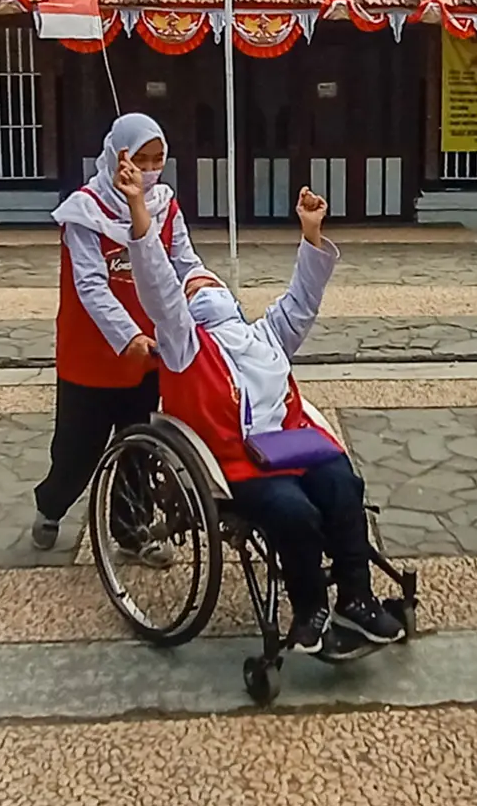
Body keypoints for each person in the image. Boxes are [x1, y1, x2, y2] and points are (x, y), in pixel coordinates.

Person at [118, 164, 407, 655]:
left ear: (232, 299)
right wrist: (140, 212)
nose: (202, 288)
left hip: (295, 444)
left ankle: (355, 598)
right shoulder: (188, 345)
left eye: (211, 285)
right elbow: (158, 287)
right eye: (193, 290)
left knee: (343, 484)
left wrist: (311, 236)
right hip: (238, 459)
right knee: (293, 511)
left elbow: (302, 302)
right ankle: (311, 609)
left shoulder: (264, 333)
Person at [32, 114, 209, 552]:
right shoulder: (84, 210)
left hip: (149, 353)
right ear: (116, 156)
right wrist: (126, 337)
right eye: (140, 159)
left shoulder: (165, 205)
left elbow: (184, 261)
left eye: (158, 159)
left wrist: (205, 290)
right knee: (77, 453)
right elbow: (90, 284)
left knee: (141, 445)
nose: (149, 170)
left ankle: (131, 532)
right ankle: (51, 505)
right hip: (91, 355)